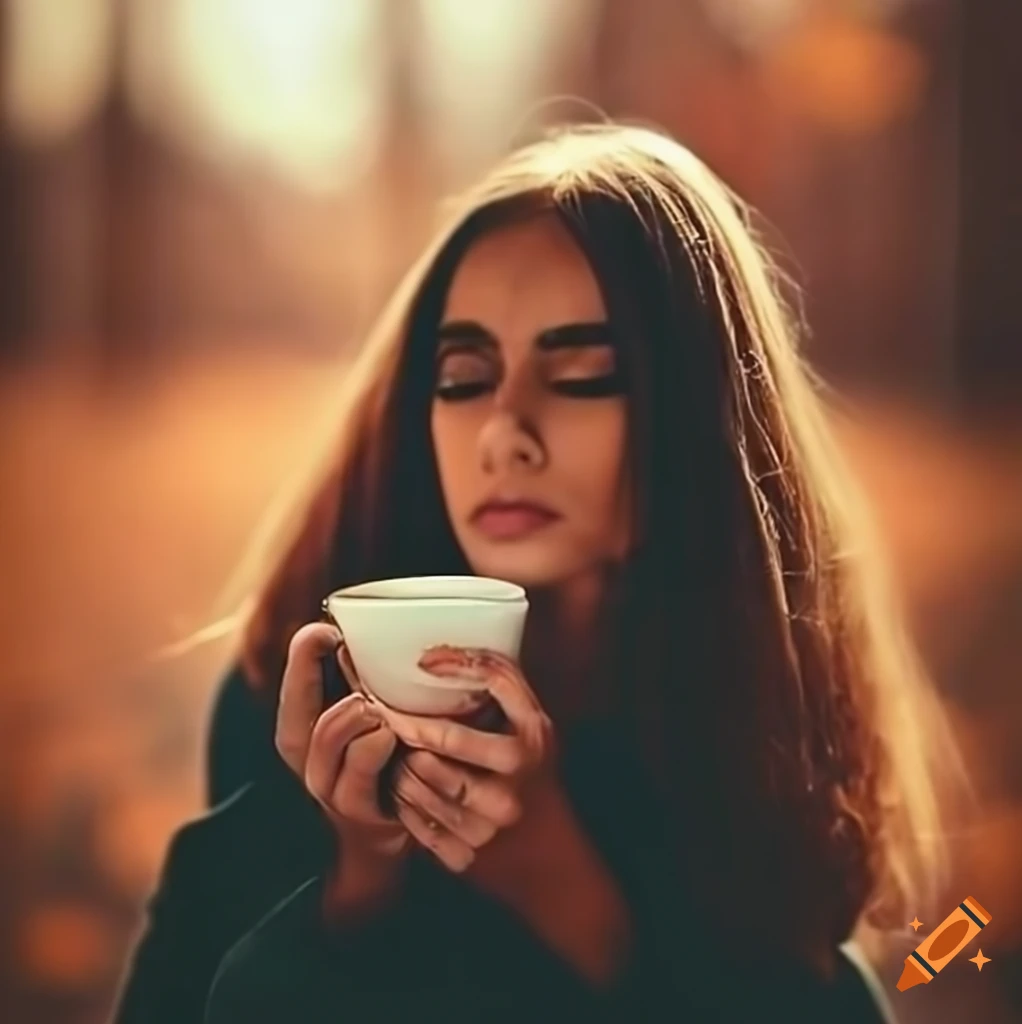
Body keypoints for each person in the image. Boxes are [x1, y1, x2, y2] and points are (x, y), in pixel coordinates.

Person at [112, 123, 958, 1023]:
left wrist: (552, 877)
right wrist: (353, 876)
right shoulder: (297, 698)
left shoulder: (750, 712)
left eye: (583, 375)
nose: (502, 431)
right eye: (465, 376)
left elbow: (820, 1002)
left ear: (699, 419)